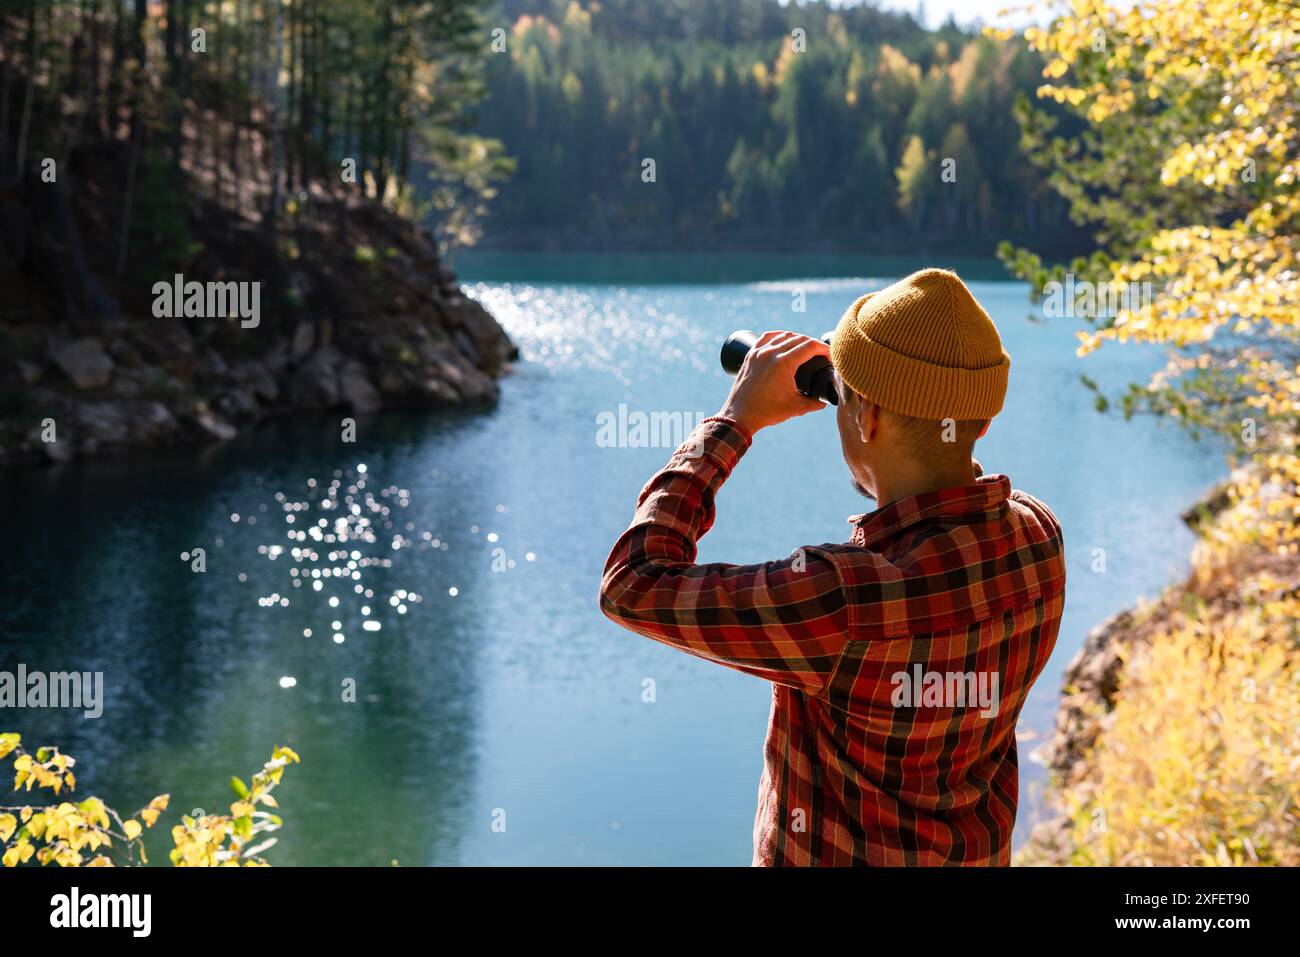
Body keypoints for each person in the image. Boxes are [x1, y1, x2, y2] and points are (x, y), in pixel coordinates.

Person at [598, 268, 1066, 865]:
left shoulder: (840, 600)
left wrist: (735, 420)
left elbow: (632, 584)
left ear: (866, 416)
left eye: (844, 399)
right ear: (984, 419)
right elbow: (949, 479)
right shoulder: (1037, 539)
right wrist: (884, 394)